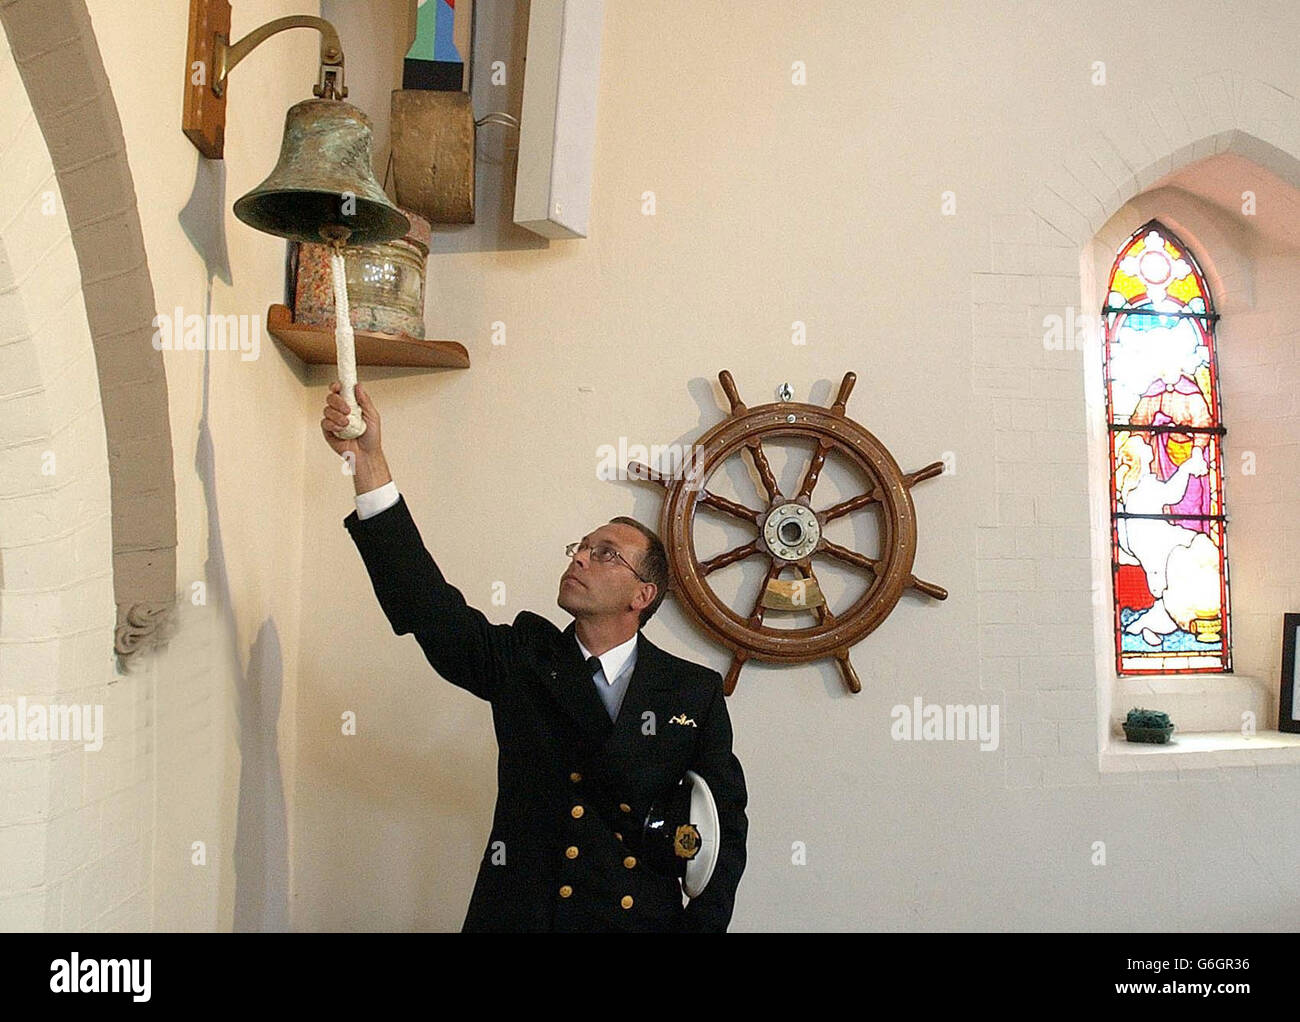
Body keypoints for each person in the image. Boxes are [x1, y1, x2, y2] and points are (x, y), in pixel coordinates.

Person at [320, 381, 748, 932]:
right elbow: (427, 605)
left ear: (642, 597)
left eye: (606, 555)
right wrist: (368, 460)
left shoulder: (693, 690)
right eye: (582, 548)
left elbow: (725, 830)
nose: (582, 560)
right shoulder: (524, 657)